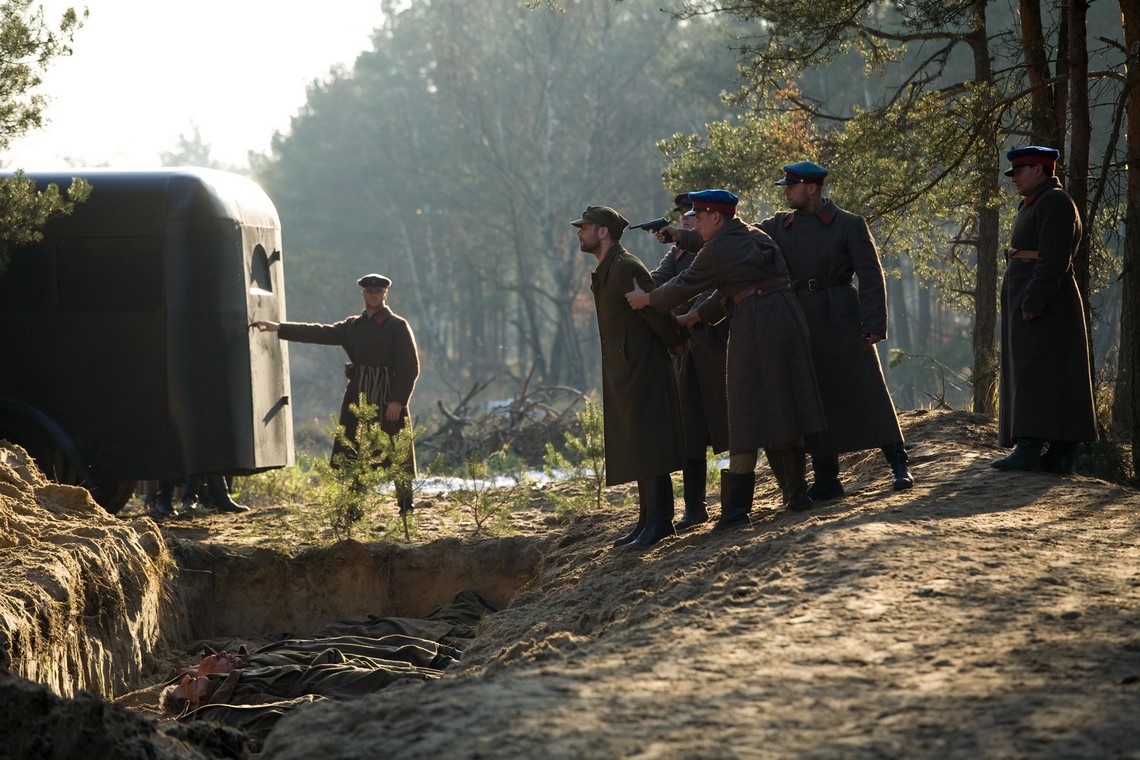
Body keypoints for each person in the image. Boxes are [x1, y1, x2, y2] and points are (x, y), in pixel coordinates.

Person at [628, 189, 827, 528]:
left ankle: (736, 510)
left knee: (745, 410)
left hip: (757, 325)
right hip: (786, 320)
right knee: (783, 404)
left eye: (700, 218)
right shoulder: (752, 235)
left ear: (715, 217)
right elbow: (729, 284)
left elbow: (684, 284)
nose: (696, 224)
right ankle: (797, 493)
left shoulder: (720, 249)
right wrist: (695, 317)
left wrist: (646, 301)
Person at [758, 161, 912, 499]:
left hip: (842, 314)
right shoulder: (779, 226)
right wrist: (686, 234)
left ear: (812, 188)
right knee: (815, 398)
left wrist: (874, 323)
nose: (785, 191)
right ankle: (828, 478)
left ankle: (899, 464)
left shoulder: (849, 224)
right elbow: (738, 236)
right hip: (802, 319)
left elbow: (871, 276)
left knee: (867, 389)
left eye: (791, 185)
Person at [251, 273, 420, 513]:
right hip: (359, 395)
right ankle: (354, 509)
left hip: (387, 396)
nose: (373, 294)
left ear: (385, 294)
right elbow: (319, 332)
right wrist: (279, 327)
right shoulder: (351, 326)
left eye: (377, 291)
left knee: (396, 451)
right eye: (368, 291)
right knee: (356, 450)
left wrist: (398, 401)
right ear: (362, 293)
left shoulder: (397, 326)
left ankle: (406, 507)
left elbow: (409, 367)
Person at [572, 205, 686, 548]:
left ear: (603, 231)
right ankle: (646, 519)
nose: (579, 233)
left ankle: (661, 521)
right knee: (637, 441)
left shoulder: (624, 266)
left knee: (649, 440)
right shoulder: (608, 267)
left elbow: (654, 308)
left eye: (585, 227)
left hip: (644, 365)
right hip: (626, 367)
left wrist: (676, 342)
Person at [992, 146, 1096, 474]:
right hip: (1036, 298)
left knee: (1035, 371)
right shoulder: (1038, 202)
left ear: (1039, 169)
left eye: (1020, 171)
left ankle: (1031, 446)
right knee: (1048, 372)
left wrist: (1033, 301)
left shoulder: (1055, 201)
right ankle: (1059, 453)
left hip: (1045, 301)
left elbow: (1053, 258)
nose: (1014, 179)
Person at [642, 192, 731, 532]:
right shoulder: (678, 253)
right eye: (682, 214)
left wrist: (694, 315)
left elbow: (716, 292)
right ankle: (695, 507)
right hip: (688, 349)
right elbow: (656, 281)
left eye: (692, 214)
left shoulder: (718, 249)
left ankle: (751, 499)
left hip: (721, 343)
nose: (685, 219)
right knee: (691, 429)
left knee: (741, 420)